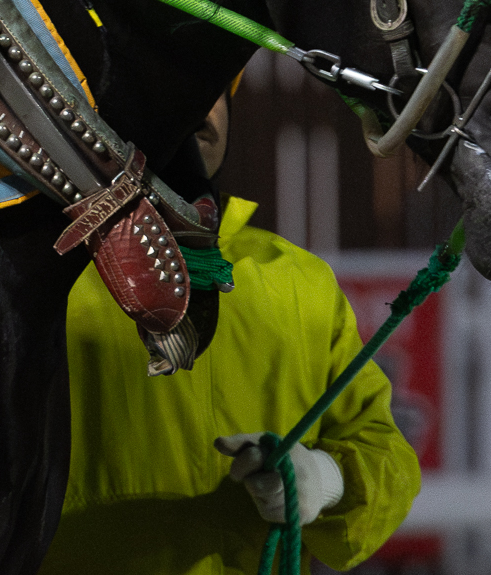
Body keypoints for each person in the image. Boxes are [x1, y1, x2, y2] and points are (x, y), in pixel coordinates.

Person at [40, 188, 421, 574]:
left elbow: (384, 454)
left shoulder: (301, 281)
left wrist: (327, 478)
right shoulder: (44, 278)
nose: (196, 124)